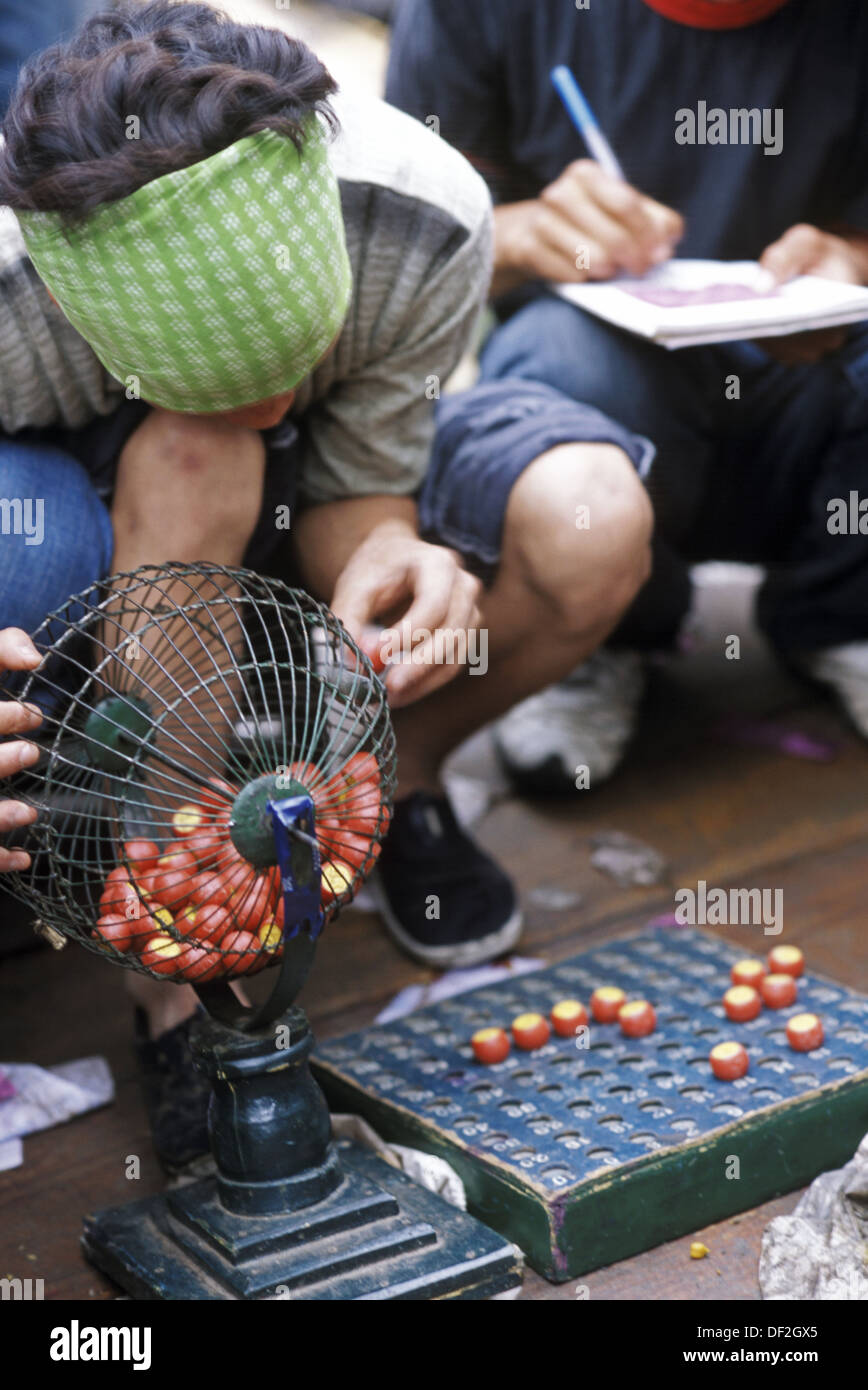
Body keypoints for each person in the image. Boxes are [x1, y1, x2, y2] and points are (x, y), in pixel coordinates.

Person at [0, 3, 653, 1169]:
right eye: (217, 374)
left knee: (588, 520)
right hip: (114, 492)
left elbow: (358, 486)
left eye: (288, 358)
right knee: (166, 468)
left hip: (330, 483)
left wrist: (399, 568)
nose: (271, 400)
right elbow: (216, 438)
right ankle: (184, 935)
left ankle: (364, 801)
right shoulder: (13, 303)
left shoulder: (418, 210)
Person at [387, 0, 868, 793]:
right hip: (597, 393)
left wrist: (853, 261)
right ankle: (598, 632)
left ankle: (840, 610)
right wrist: (517, 233)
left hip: (814, 397)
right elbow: (385, 237)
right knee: (571, 370)